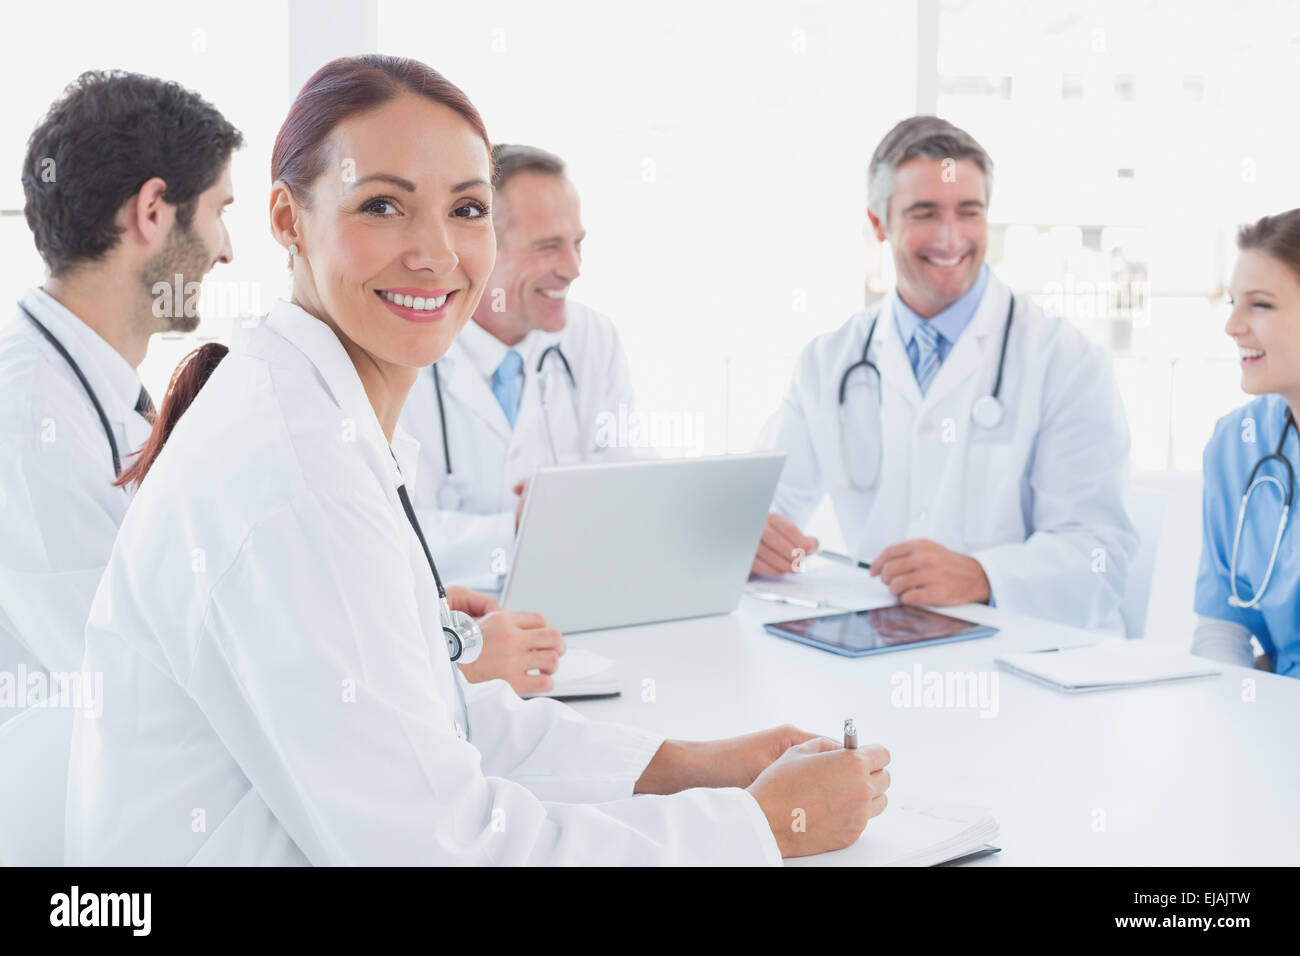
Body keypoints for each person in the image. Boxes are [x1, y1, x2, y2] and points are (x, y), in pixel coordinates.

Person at [65, 55, 890, 865]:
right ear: (287, 219)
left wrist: (700, 768)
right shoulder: (296, 477)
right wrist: (762, 828)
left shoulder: (313, 414)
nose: (435, 253)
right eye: (383, 205)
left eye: (466, 210)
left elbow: (436, 722)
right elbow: (441, 848)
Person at [752, 116, 1136, 632]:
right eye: (924, 213)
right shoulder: (829, 361)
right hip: (876, 644)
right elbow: (762, 502)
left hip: (1025, 657)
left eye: (969, 212)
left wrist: (983, 574)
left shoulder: (1064, 359)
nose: (950, 237)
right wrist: (748, 536)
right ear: (878, 223)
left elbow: (1100, 553)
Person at [0, 71, 240, 721]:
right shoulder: (25, 417)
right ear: (154, 211)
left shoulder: (94, 389)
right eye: (220, 211)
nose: (227, 251)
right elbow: (129, 677)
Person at [399, 144, 638, 590]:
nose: (573, 269)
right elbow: (393, 537)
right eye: (548, 247)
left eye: (577, 244)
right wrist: (522, 529)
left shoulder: (593, 338)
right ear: (478, 247)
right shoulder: (403, 353)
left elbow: (629, 479)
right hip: (459, 630)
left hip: (582, 599)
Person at [1192, 209, 1300, 678]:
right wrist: (1231, 704)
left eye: (1260, 304)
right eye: (1234, 301)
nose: (1232, 325)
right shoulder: (1237, 446)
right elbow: (1223, 628)